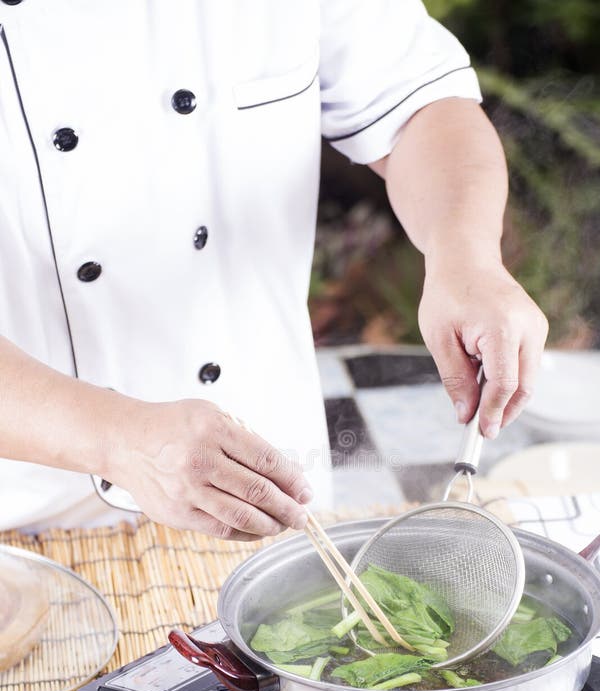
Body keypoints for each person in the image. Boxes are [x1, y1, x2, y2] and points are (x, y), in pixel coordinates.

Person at [0, 0, 547, 537]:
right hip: (27, 515)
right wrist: (116, 437)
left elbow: (420, 106)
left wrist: (467, 254)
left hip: (272, 484)